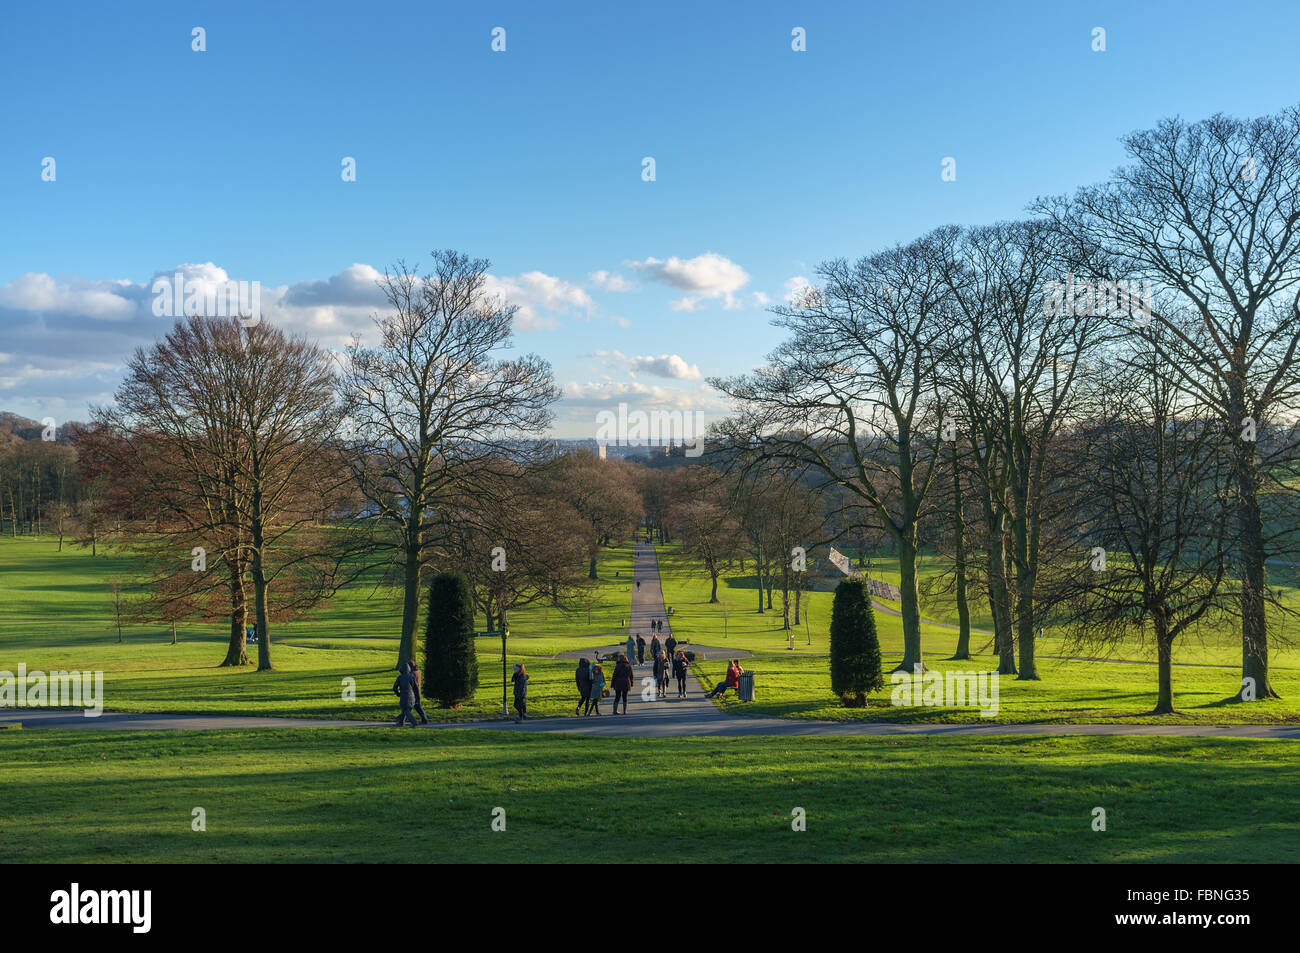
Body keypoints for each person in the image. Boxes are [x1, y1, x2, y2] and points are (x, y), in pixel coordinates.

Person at [392, 662, 418, 727]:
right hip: (412, 696)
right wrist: (417, 696)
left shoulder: (400, 677)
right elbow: (416, 687)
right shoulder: (412, 676)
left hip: (404, 695)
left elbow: (394, 687)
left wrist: (398, 694)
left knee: (406, 710)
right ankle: (401, 723)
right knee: (405, 710)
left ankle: (414, 722)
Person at [408, 659, 430, 724]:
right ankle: (424, 719)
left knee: (410, 707)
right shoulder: (418, 671)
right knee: (417, 707)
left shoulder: (412, 673)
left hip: (414, 692)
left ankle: (402, 719)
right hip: (418, 691)